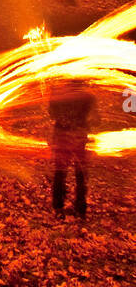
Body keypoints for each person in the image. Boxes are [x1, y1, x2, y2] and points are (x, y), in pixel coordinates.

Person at [47, 81, 96, 219]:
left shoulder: (57, 95)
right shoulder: (87, 96)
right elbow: (94, 118)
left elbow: (52, 114)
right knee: (80, 172)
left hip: (62, 136)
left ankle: (58, 208)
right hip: (80, 136)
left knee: (60, 172)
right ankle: (81, 208)